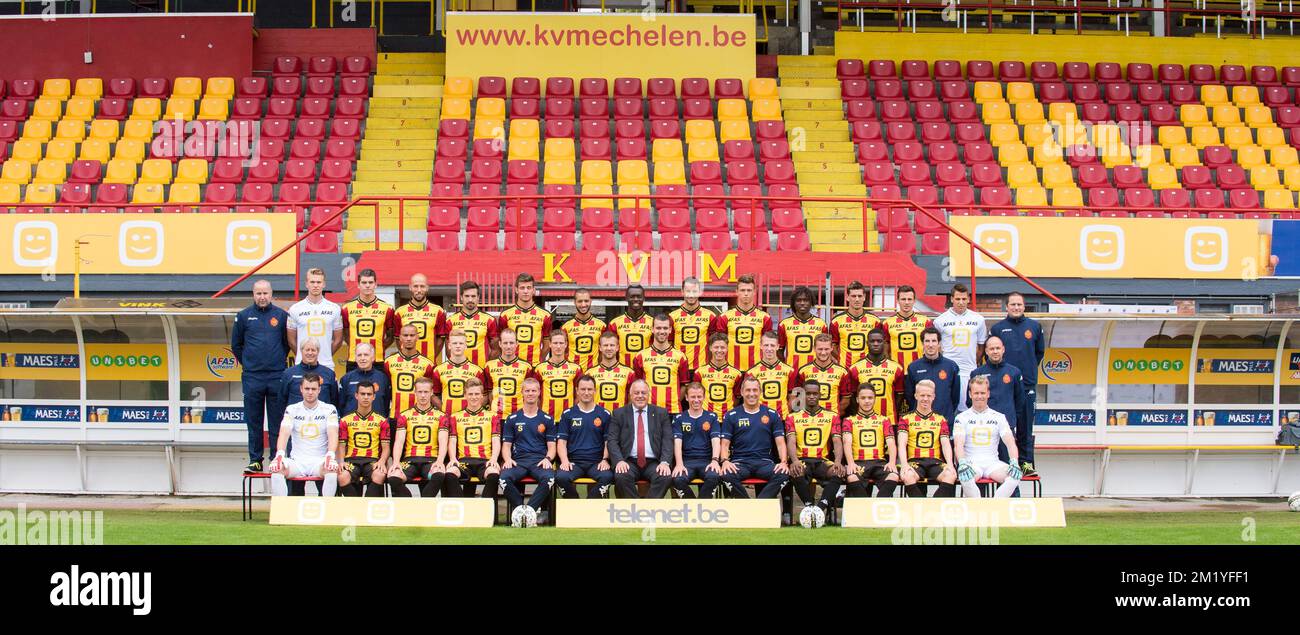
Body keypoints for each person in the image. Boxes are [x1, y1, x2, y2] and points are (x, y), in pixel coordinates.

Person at [233, 279, 290, 473]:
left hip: (276, 376)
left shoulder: (281, 316)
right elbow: (236, 346)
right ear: (253, 294)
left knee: (277, 420)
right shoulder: (243, 316)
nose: (262, 297)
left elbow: (287, 344)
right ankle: (255, 460)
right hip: (252, 377)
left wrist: (274, 361)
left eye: (265, 293)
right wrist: (250, 363)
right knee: (254, 421)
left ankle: (276, 458)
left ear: (271, 293)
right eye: (258, 293)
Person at [988, 292, 1044, 475]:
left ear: (1024, 306)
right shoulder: (998, 329)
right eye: (1013, 304)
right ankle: (1004, 461)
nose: (1016, 307)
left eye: (1019, 304)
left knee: (1025, 425)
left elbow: (1039, 353)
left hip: (1027, 385)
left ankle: (1026, 463)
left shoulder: (1034, 327)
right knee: (1004, 427)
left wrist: (1026, 371)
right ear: (1007, 307)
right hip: (1005, 387)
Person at [268, 373, 339, 497]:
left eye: (313, 389)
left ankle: (328, 510)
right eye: (307, 389)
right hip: (297, 462)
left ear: (319, 390)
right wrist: (279, 455)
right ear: (301, 389)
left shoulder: (329, 409)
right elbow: (284, 433)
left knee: (332, 470)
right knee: (277, 469)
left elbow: (333, 434)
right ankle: (282, 511)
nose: (310, 392)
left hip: (319, 461)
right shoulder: (292, 409)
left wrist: (331, 455)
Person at [719, 376, 790, 499]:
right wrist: (725, 461)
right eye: (748, 390)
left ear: (760, 392)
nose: (751, 394)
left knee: (783, 474)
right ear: (741, 392)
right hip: (740, 463)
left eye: (755, 390)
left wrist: (783, 462)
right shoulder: (731, 415)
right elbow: (724, 444)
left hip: (764, 462)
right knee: (726, 474)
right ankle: (749, 505)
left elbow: (780, 443)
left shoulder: (772, 414)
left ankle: (758, 505)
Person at [953, 376, 1023, 498]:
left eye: (982, 393)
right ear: (970, 394)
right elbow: (958, 444)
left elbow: (1010, 442)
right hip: (971, 463)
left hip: (993, 463)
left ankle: (993, 506)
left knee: (1015, 476)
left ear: (988, 394)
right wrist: (962, 463)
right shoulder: (961, 417)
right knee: (966, 478)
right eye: (976, 393)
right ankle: (978, 510)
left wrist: (1014, 462)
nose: (979, 396)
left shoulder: (999, 417)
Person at [500, 378, 557, 526]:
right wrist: (507, 459)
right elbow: (506, 446)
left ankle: (529, 511)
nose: (530, 393)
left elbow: (552, 446)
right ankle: (520, 510)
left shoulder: (547, 419)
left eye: (533, 390)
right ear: (522, 393)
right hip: (518, 461)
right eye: (527, 391)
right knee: (503, 477)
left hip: (539, 461)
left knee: (550, 478)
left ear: (539, 392)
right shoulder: (512, 419)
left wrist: (548, 459)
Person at [606, 380, 674, 499]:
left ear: (649, 395)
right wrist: (619, 461)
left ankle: (647, 509)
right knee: (621, 476)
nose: (640, 396)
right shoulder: (619, 414)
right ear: (630, 395)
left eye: (643, 393)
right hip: (629, 461)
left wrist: (664, 462)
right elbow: (612, 440)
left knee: (664, 476)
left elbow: (667, 440)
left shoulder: (661, 413)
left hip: (654, 461)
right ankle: (637, 509)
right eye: (636, 393)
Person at [785, 379, 843, 519]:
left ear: (820, 395)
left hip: (821, 461)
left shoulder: (832, 416)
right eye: (808, 393)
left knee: (838, 472)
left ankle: (820, 508)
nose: (811, 396)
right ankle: (809, 506)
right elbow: (791, 441)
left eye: (815, 394)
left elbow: (837, 440)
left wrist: (838, 461)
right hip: (802, 460)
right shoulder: (792, 416)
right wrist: (794, 460)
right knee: (796, 472)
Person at [966, 335, 1026, 467]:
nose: (995, 351)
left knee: (1008, 471)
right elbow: (969, 401)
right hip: (982, 428)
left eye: (997, 348)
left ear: (1003, 349)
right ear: (986, 351)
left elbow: (1020, 402)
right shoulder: (977, 373)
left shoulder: (1014, 372)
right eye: (991, 348)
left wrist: (1010, 419)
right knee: (980, 472)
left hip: (1006, 428)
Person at [387, 378, 451, 498]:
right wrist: (396, 462)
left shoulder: (441, 416)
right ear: (415, 392)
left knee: (439, 474)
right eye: (420, 392)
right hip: (410, 460)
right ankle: (412, 504)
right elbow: (399, 441)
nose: (423, 395)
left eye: (426, 392)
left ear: (432, 392)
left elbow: (443, 441)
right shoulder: (404, 415)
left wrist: (440, 461)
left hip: (431, 460)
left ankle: (423, 506)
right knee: (393, 477)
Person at [555, 376, 615, 499]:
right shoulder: (568, 414)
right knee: (561, 477)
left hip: (597, 462)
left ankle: (588, 506)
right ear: (577, 390)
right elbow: (561, 442)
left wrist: (605, 459)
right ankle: (576, 504)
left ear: (595, 391)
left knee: (607, 476)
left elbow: (608, 441)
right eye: (583, 389)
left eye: (589, 389)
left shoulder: (605, 414)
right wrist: (565, 461)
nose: (586, 392)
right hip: (574, 462)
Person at [442, 380, 502, 500]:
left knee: (494, 474)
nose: (473, 397)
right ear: (465, 395)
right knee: (450, 473)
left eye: (476, 394)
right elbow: (452, 441)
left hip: (484, 461)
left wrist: (494, 459)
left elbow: (496, 440)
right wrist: (453, 458)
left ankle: (484, 511)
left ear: (482, 396)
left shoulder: (492, 416)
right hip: (464, 461)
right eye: (470, 394)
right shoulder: (455, 417)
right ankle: (463, 509)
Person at [896, 380, 957, 497]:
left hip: (935, 461)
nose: (925, 399)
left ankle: (932, 508)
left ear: (933, 397)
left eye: (929, 396)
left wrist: (950, 464)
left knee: (951, 475)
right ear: (916, 396)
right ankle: (922, 508)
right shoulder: (906, 419)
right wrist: (904, 464)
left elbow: (945, 444)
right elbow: (902, 444)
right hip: (915, 461)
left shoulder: (941, 419)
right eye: (922, 395)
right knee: (907, 476)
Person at [840, 384, 900, 498]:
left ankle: (875, 505)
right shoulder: (849, 420)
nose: (867, 401)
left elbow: (891, 443)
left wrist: (892, 462)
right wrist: (851, 463)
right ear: (857, 399)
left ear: (874, 399)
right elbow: (846, 443)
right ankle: (865, 509)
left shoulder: (884, 420)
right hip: (858, 462)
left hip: (879, 462)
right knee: (852, 476)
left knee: (893, 476)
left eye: (870, 398)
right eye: (863, 398)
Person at [933, 284, 986, 413]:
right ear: (952, 299)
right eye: (957, 299)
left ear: (968, 299)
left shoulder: (978, 319)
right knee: (947, 408)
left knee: (967, 411)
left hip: (969, 371)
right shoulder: (940, 320)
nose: (961, 302)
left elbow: (981, 346)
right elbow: (936, 346)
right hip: (948, 372)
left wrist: (974, 362)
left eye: (964, 299)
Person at [335, 382, 389, 497]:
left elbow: (386, 447)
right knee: (342, 476)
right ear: (356, 395)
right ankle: (356, 508)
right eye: (362, 394)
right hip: (351, 460)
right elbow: (341, 446)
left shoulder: (382, 421)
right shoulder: (345, 420)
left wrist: (382, 461)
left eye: (369, 394)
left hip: (372, 460)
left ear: (374, 397)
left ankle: (365, 506)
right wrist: (341, 461)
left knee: (380, 474)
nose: (365, 397)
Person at [671, 383, 723, 499]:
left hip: (707, 461)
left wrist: (715, 461)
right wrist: (679, 464)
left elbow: (716, 441)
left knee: (714, 476)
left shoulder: (712, 417)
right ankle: (695, 507)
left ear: (704, 397)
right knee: (677, 479)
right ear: (686, 397)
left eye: (699, 397)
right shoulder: (679, 418)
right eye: (693, 397)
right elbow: (677, 443)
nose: (696, 400)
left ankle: (698, 507)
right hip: (687, 462)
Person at [711, 274, 773, 372]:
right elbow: (720, 344)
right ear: (737, 292)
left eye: (749, 290)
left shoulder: (765, 317)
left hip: (757, 369)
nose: (746, 294)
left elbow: (768, 344)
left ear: (754, 292)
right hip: (731, 369)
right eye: (742, 290)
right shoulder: (725, 317)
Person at [340, 268, 396, 373]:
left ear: (376, 284)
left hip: (377, 361)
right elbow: (346, 333)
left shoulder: (387, 308)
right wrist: (356, 348)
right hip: (354, 360)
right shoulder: (347, 308)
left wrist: (378, 348)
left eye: (370, 282)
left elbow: (390, 336)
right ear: (358, 285)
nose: (367, 285)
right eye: (364, 282)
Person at [633, 313, 690, 415]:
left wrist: (675, 401)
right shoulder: (640, 356)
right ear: (652, 329)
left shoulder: (680, 356)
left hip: (673, 411)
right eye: (658, 328)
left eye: (665, 328)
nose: (662, 331)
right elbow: (637, 385)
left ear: (670, 330)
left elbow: (684, 385)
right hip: (648, 411)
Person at [288, 267, 344, 370]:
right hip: (301, 365)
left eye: (319, 282)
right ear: (306, 284)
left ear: (324, 284)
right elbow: (291, 340)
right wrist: (304, 356)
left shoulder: (335, 308)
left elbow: (338, 340)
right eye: (312, 282)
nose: (315, 285)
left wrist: (326, 354)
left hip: (326, 365)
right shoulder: (295, 309)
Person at [905, 327, 962, 424]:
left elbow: (955, 397)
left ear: (939, 343)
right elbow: (910, 396)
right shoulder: (913, 367)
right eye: (927, 341)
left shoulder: (951, 366)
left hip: (945, 420)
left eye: (934, 341)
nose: (930, 345)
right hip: (921, 422)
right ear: (922, 344)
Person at [847, 328, 905, 421]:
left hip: (890, 420)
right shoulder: (855, 368)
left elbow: (899, 395)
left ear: (885, 343)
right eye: (872, 341)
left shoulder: (897, 368)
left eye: (879, 341)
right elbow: (853, 396)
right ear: (867, 343)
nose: (876, 344)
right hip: (862, 421)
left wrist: (893, 412)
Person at [496, 273, 553, 365]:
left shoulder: (545, 315)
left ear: (533, 290)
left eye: (529, 288)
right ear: (516, 290)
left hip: (534, 365)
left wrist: (538, 360)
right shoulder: (506, 315)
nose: (525, 291)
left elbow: (547, 344)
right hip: (512, 366)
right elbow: (500, 342)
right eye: (522, 288)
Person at [383, 323, 436, 416]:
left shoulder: (428, 364)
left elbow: (431, 393)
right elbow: (386, 389)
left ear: (417, 337)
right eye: (405, 335)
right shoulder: (388, 362)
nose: (408, 338)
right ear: (400, 338)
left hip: (418, 417)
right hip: (395, 415)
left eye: (412, 335)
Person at [429, 330, 487, 415]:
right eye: (455, 343)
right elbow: (434, 395)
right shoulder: (438, 370)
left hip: (469, 419)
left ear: (466, 346)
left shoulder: (477, 371)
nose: (458, 346)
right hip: (447, 418)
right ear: (449, 346)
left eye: (461, 343)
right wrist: (444, 409)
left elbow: (485, 395)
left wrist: (473, 410)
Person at [394, 273, 449, 362]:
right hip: (407, 363)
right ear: (410, 287)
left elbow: (441, 338)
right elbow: (397, 338)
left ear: (427, 287)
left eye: (422, 286)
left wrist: (431, 357)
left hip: (429, 362)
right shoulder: (399, 312)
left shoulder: (438, 311)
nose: (419, 290)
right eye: (415, 286)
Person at [447, 279, 499, 368]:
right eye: (467, 296)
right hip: (458, 370)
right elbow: (449, 349)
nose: (470, 299)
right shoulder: (450, 320)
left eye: (473, 296)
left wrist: (486, 368)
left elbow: (495, 349)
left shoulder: (489, 320)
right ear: (461, 297)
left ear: (478, 297)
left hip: (480, 371)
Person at [669, 277, 718, 371]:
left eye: (694, 291)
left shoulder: (710, 316)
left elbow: (713, 345)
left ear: (700, 292)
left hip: (702, 369)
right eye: (688, 291)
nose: (691, 295)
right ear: (682, 291)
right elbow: (669, 344)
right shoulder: (672, 317)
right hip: (678, 368)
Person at [830, 280, 881, 369]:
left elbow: (880, 345)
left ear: (864, 297)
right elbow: (833, 345)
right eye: (853, 296)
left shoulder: (875, 321)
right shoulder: (836, 321)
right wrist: (840, 359)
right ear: (847, 297)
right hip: (845, 369)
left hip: (867, 369)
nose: (857, 299)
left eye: (859, 296)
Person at [532, 330, 581, 420]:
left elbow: (579, 395)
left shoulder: (575, 368)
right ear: (550, 344)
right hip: (546, 419)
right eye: (555, 343)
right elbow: (536, 396)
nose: (558, 346)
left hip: (568, 418)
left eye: (561, 343)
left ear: (566, 344)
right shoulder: (540, 369)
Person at [777, 285, 828, 372]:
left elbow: (825, 350)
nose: (802, 303)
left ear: (811, 302)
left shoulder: (821, 324)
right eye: (799, 300)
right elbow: (779, 350)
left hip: (814, 372)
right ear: (793, 303)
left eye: (806, 300)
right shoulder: (784, 324)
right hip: (792, 371)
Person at [881, 285, 933, 368]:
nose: (906, 302)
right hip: (897, 370)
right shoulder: (887, 323)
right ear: (897, 300)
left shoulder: (926, 321)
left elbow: (932, 345)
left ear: (914, 300)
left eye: (909, 299)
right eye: (903, 299)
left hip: (920, 369)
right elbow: (885, 346)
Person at [746, 331, 797, 418]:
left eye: (772, 345)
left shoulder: (789, 371)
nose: (769, 349)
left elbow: (792, 396)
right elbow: (749, 398)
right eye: (766, 345)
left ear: (777, 347)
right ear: (761, 346)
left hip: (782, 418)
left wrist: (787, 412)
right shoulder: (751, 372)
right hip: (759, 418)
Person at [693, 333, 743, 421]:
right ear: (710, 348)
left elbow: (737, 398)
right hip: (705, 418)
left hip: (728, 419)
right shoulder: (699, 372)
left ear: (727, 348)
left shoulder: (736, 374)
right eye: (716, 347)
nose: (719, 350)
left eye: (723, 347)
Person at [797, 333, 851, 415]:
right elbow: (799, 398)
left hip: (832, 420)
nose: (823, 353)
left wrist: (832, 416)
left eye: (826, 349)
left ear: (832, 348)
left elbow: (846, 399)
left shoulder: (842, 372)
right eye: (820, 349)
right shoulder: (803, 371)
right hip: (809, 418)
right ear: (814, 348)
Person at [484, 328, 531, 419]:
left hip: (520, 416)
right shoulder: (489, 366)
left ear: (517, 344)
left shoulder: (526, 367)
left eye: (511, 343)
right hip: (497, 416)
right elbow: (490, 392)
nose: (508, 346)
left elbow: (530, 394)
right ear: (500, 344)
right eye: (505, 343)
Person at [337, 343, 392, 418]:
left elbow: (386, 404)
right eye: (359, 355)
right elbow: (341, 405)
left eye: (366, 355)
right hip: (352, 426)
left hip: (377, 426)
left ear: (373, 358)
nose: (362, 358)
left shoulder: (383, 378)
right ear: (355, 358)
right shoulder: (346, 378)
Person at [280, 338, 339, 408]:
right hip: (296, 417)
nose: (310, 353)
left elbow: (335, 401)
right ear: (301, 351)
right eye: (307, 350)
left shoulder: (329, 374)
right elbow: (281, 401)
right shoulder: (288, 374)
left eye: (313, 350)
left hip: (322, 417)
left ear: (318, 352)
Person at [586, 331, 636, 413]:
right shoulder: (590, 373)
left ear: (617, 347)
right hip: (596, 420)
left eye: (612, 345)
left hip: (620, 420)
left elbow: (632, 399)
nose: (609, 348)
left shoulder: (629, 373)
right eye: (605, 345)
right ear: (600, 348)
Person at [606, 284, 654, 367]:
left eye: (639, 296)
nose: (636, 299)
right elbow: (609, 350)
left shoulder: (653, 323)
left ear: (644, 298)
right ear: (626, 298)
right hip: (622, 373)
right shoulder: (614, 323)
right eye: (632, 296)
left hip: (645, 371)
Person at [560, 288, 605, 370]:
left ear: (591, 301)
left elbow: (604, 352)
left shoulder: (601, 326)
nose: (583, 304)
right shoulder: (566, 327)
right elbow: (562, 352)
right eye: (580, 301)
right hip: (572, 373)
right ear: (574, 302)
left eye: (586, 301)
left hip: (593, 373)